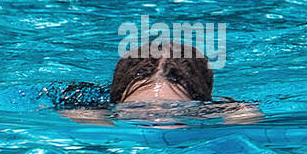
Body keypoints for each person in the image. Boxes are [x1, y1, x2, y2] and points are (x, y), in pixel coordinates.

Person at [60, 42, 261, 124]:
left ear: (200, 103)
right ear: (118, 99)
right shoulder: (87, 106)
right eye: (138, 106)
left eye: (175, 107)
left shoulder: (217, 108)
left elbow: (245, 114)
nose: (156, 120)